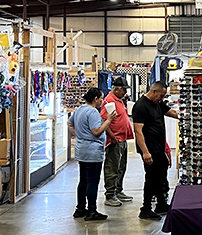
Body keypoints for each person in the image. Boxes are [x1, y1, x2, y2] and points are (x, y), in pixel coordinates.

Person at [132, 81, 178, 220]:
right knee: (151, 178)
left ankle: (161, 204)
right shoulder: (140, 106)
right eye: (161, 95)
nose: (162, 98)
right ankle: (145, 209)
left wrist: (188, 116)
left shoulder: (158, 103)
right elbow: (138, 131)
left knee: (161, 175)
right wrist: (145, 151)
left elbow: (171, 112)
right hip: (149, 149)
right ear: (153, 92)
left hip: (159, 148)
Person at [70, 87, 115, 221]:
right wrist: (108, 120)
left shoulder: (79, 109)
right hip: (92, 152)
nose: (102, 101)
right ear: (95, 99)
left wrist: (78, 134)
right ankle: (92, 211)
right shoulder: (93, 112)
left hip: (81, 150)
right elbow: (96, 131)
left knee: (83, 180)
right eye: (101, 98)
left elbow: (69, 123)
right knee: (92, 181)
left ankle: (80, 208)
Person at [101, 77, 134, 207]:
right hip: (115, 140)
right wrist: (112, 137)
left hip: (122, 139)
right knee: (112, 168)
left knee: (121, 167)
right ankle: (110, 194)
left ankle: (118, 190)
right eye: (124, 90)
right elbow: (104, 120)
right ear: (117, 89)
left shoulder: (118, 100)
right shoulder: (109, 101)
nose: (125, 93)